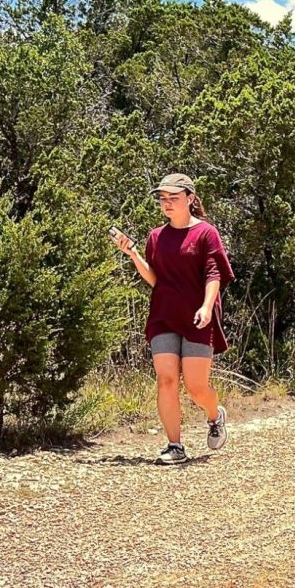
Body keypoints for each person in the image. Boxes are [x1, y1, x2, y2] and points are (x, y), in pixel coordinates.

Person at [111, 174, 234, 465]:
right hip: (163, 316)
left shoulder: (206, 233)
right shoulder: (156, 237)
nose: (166, 203)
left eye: (173, 198)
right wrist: (132, 254)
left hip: (196, 318)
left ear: (190, 199)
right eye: (162, 198)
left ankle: (215, 416)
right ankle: (175, 446)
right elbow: (156, 279)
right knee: (166, 379)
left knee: (195, 387)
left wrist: (206, 307)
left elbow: (214, 275)